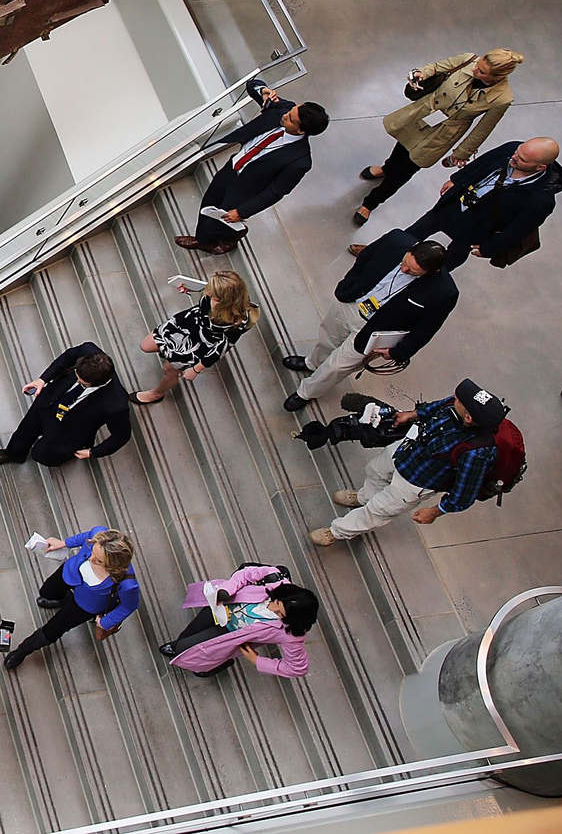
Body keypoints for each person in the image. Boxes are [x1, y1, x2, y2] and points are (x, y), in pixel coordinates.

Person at [311, 380, 509, 546]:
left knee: (377, 511)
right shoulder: (455, 405)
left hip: (416, 482)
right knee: (375, 471)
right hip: (407, 450)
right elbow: (436, 407)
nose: (455, 397)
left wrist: (434, 512)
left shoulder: (477, 452)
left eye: (460, 399)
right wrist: (412, 414)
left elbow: (463, 495)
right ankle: (363, 498)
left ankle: (337, 532)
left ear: (469, 417)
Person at [281, 232, 456, 411]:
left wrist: (399, 352)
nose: (404, 270)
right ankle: (313, 363)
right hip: (353, 303)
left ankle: (305, 393)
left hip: (376, 330)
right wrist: (348, 285)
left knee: (337, 367)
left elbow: (426, 329)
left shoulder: (444, 293)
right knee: (328, 338)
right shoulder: (395, 239)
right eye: (404, 263)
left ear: (432, 272)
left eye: (412, 271)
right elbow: (365, 257)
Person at [356, 49, 523, 225]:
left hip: (444, 132)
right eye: (478, 65)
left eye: (481, 72)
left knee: (407, 169)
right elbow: (436, 67)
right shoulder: (468, 60)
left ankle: (371, 203)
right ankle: (387, 168)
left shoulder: (502, 99)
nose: (474, 70)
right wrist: (422, 73)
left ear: (497, 77)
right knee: (403, 144)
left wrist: (462, 153)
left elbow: (482, 129)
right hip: (426, 113)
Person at [177, 79, 328, 255]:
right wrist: (264, 90)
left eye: (290, 119)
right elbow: (252, 85)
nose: (285, 115)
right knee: (208, 205)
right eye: (291, 111)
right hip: (231, 170)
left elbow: (275, 192)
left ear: (301, 131)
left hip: (244, 192)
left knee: (219, 221)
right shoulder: (283, 109)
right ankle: (203, 238)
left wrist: (242, 212)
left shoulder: (299, 161)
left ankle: (220, 239)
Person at [404, 137, 562, 272]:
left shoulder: (541, 201)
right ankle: (395, 254)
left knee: (453, 257)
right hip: (454, 205)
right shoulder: (511, 149)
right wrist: (456, 179)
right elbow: (482, 162)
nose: (514, 156)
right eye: (518, 151)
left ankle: (429, 278)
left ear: (540, 167)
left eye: (522, 159)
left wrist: (490, 249)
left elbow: (517, 230)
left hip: (478, 226)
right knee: (412, 233)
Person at [3, 527, 138, 672]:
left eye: (98, 560)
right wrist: (63, 543)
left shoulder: (127, 584)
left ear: (113, 565)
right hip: (70, 572)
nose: (90, 558)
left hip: (85, 604)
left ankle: (23, 650)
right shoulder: (99, 534)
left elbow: (128, 606)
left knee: (54, 628)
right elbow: (86, 536)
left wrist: (105, 623)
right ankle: (62, 599)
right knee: (47, 592)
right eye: (93, 551)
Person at [158, 566, 318, 678]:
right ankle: (185, 650)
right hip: (220, 606)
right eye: (275, 602)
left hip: (229, 633)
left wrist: (258, 661)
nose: (272, 607)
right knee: (189, 634)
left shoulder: (291, 634)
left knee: (190, 648)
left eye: (279, 613)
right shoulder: (275, 579)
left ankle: (208, 665)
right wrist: (227, 590)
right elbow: (246, 574)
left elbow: (297, 668)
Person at [0, 344, 130, 467]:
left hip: (72, 426)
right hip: (50, 401)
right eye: (76, 375)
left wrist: (93, 452)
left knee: (41, 455)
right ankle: (14, 454)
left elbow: (121, 436)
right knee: (26, 429)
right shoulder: (88, 350)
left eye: (82, 383)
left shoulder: (116, 405)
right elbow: (67, 357)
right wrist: (43, 379)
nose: (77, 380)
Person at [135, 271, 258, 405]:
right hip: (187, 323)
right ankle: (168, 352)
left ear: (226, 301)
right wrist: (190, 288)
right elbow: (206, 289)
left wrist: (196, 369)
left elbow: (221, 349)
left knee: (169, 369)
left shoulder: (237, 321)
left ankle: (157, 393)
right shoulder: (215, 293)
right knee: (146, 345)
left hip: (200, 343)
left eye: (215, 296)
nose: (208, 294)